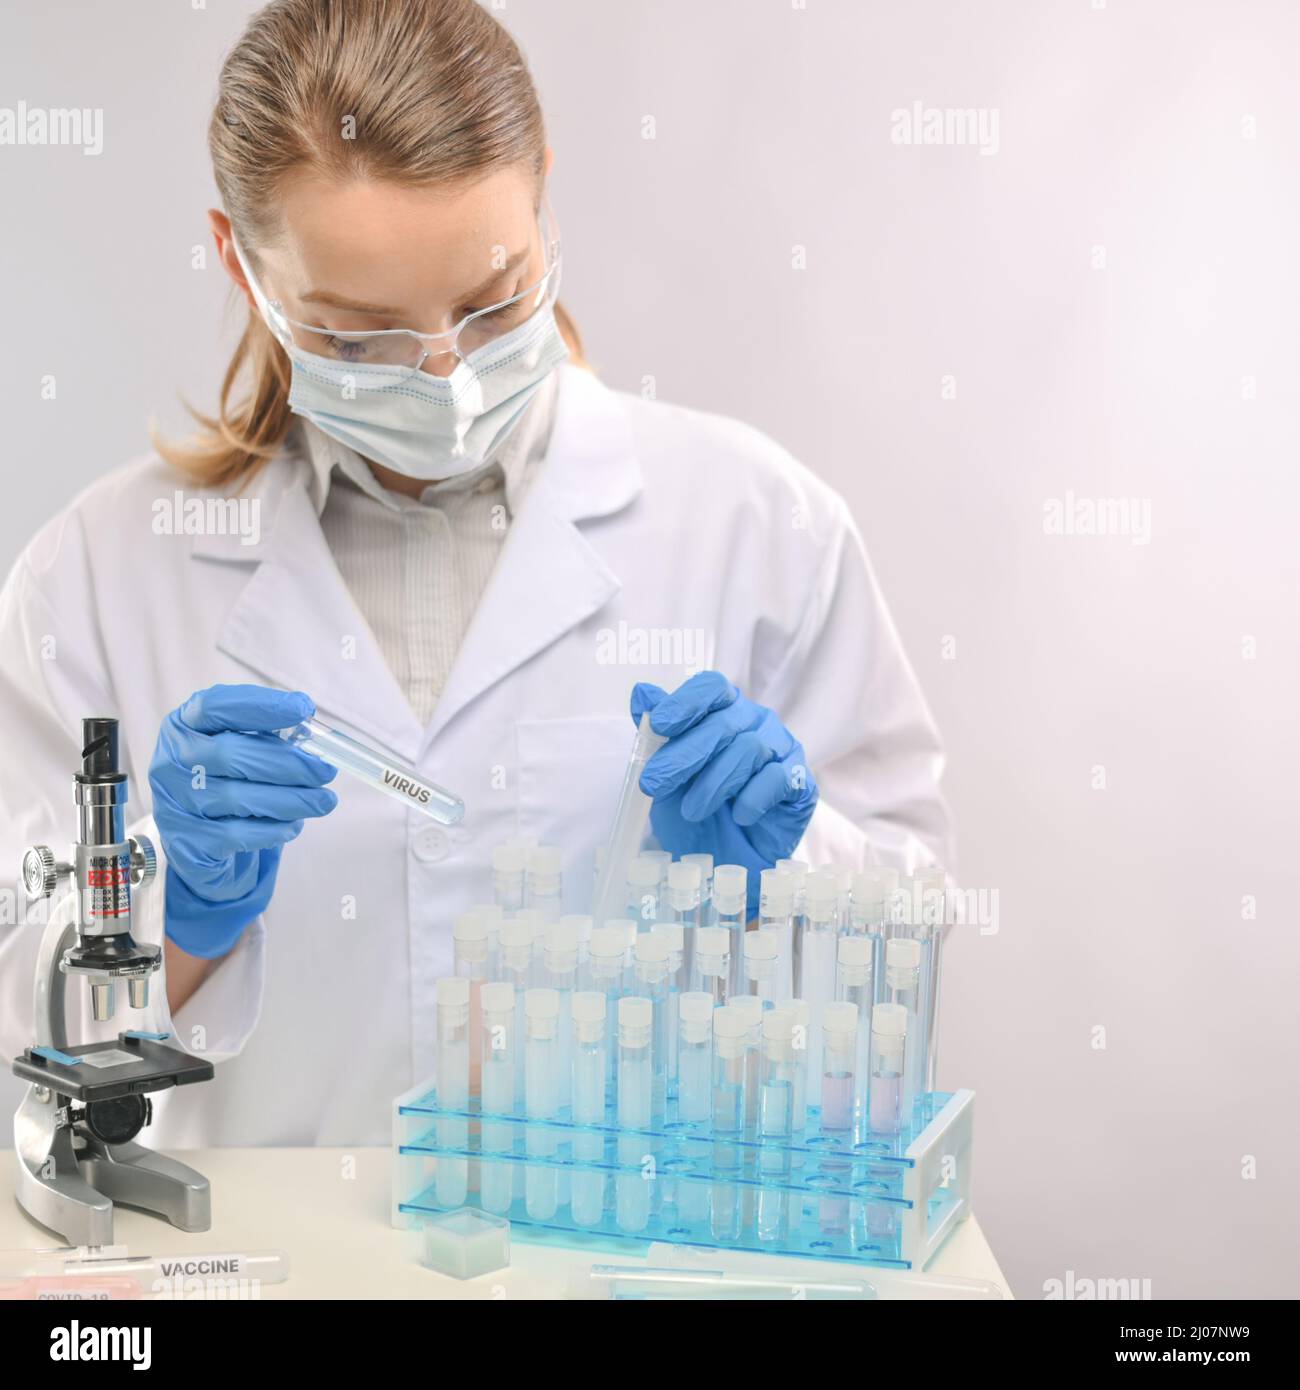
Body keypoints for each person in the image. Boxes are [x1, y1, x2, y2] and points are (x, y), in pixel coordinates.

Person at [0, 0, 950, 1146]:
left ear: (542, 195)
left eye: (492, 304)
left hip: (619, 1255)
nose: (446, 378)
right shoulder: (98, 577)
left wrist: (788, 860)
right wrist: (177, 915)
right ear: (241, 268)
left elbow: (909, 959)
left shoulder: (759, 526)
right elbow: (25, 1033)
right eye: (359, 338)